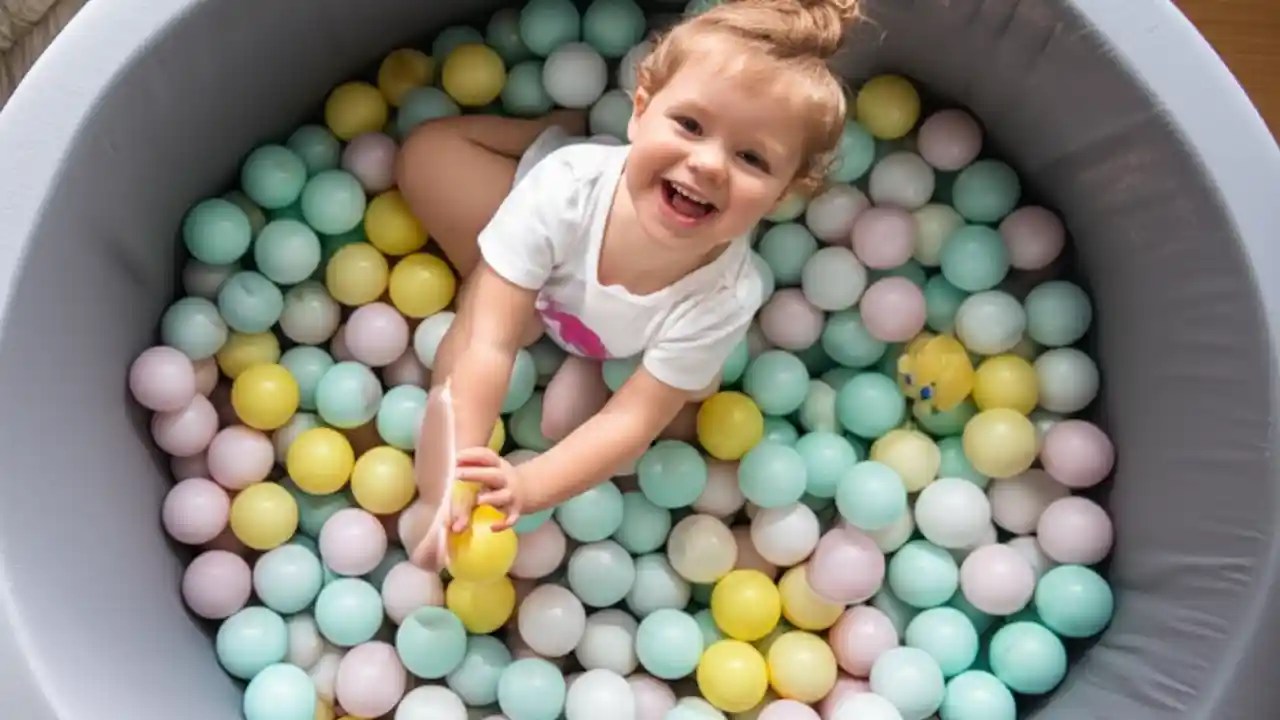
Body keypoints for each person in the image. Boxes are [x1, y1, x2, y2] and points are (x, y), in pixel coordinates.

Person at [397, 0, 862, 569]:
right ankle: (538, 134)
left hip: (611, 341)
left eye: (751, 159)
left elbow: (631, 421)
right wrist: (452, 479)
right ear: (639, 111)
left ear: (784, 195)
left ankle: (563, 339)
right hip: (537, 267)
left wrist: (529, 484)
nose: (709, 165)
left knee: (600, 424)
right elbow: (486, 344)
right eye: (689, 125)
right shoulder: (564, 188)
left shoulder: (726, 295)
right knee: (425, 157)